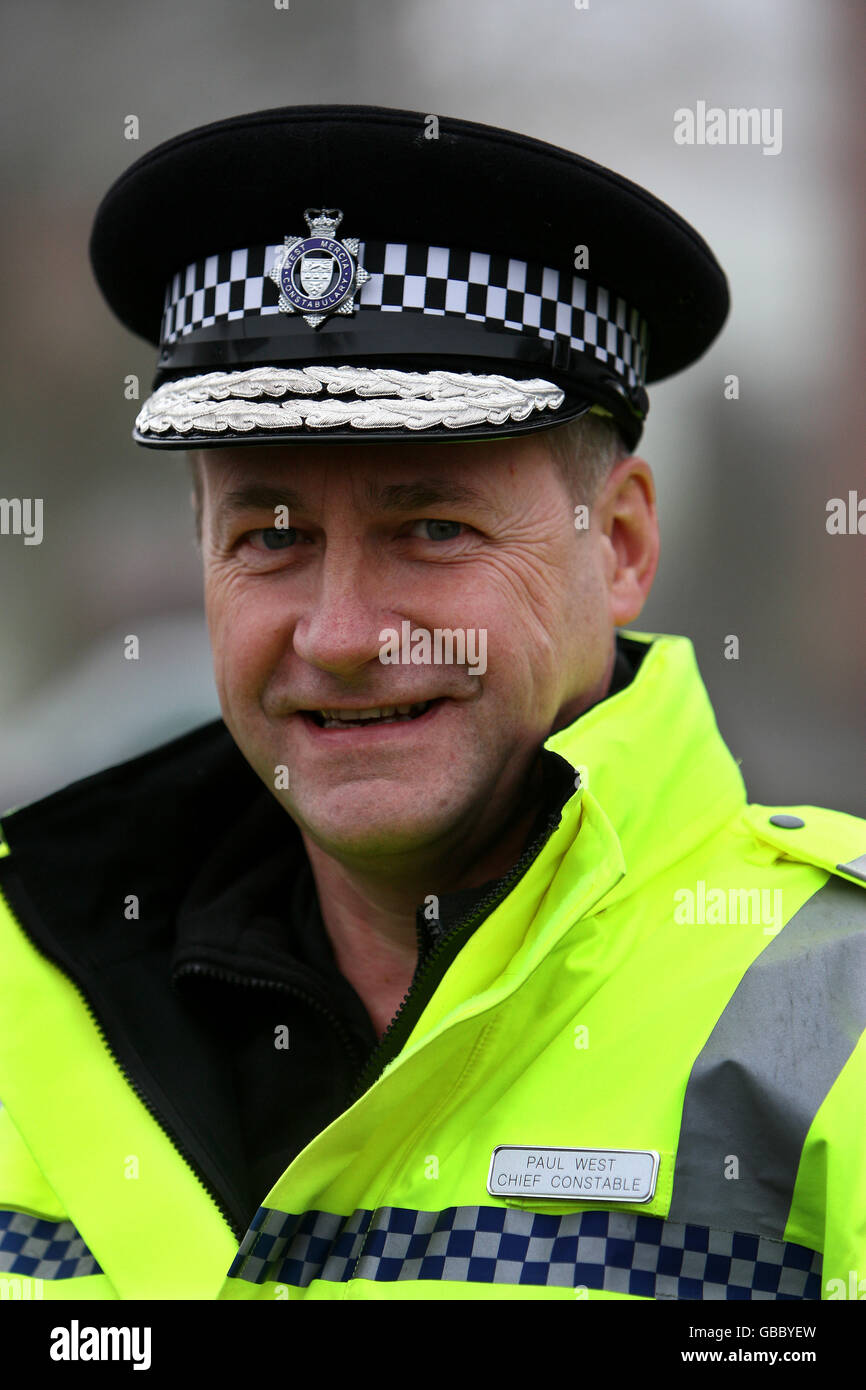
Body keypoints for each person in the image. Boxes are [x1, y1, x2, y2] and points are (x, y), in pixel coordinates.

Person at [1, 104, 864, 1303]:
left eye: (432, 529)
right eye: (268, 536)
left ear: (616, 545)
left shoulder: (844, 1011)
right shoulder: (20, 973)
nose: (343, 634)